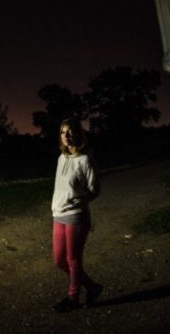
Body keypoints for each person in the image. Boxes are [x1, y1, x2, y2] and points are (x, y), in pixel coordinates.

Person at [50, 118, 102, 313]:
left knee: (73, 260)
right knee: (59, 260)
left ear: (79, 134)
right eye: (63, 132)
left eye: (70, 131)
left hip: (76, 216)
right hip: (58, 215)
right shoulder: (61, 158)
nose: (66, 135)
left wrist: (78, 201)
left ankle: (73, 298)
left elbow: (95, 190)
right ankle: (92, 287)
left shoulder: (85, 160)